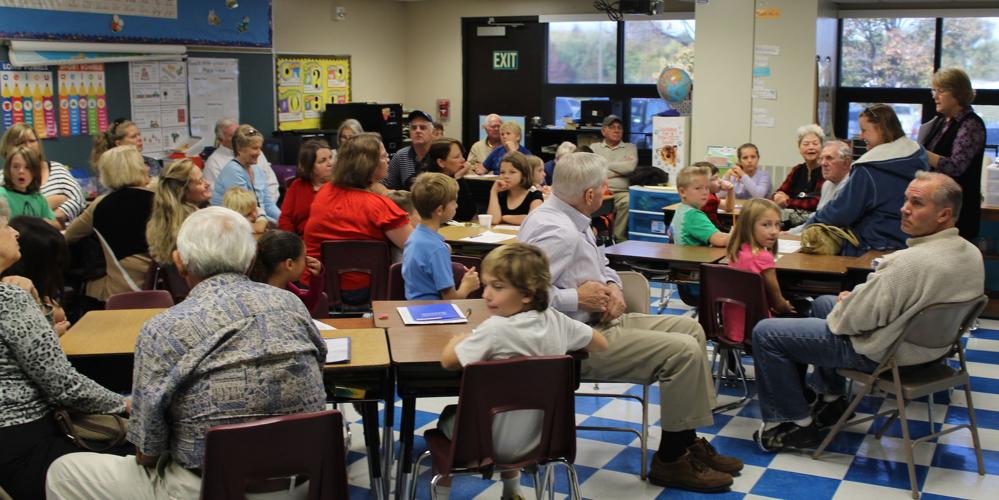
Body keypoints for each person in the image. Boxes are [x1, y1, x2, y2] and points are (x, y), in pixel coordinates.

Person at [46, 207, 328, 499]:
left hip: (209, 487)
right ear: (251, 260)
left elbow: (148, 452)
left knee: (63, 472)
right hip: (303, 482)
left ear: (180, 263)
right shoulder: (292, 306)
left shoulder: (162, 329)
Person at [520, 152, 742, 492]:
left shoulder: (572, 218)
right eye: (602, 187)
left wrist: (612, 286)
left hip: (596, 324)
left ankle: (685, 441)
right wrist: (576, 298)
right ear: (590, 195)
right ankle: (670, 459)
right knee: (681, 352)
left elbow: (602, 265)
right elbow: (523, 297)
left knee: (691, 329)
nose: (607, 192)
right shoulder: (556, 231)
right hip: (572, 343)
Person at [751, 172, 983, 452]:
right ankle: (831, 400)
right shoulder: (970, 254)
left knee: (767, 332)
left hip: (887, 355)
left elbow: (851, 321)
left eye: (917, 203)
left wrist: (850, 304)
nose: (904, 208)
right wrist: (851, 302)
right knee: (825, 302)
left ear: (944, 215)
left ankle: (794, 424)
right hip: (933, 351)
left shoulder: (908, 264)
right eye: (906, 199)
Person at [437, 243, 608, 500]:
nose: (486, 295)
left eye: (498, 287)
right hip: (546, 438)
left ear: (527, 294)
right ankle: (512, 490)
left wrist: (456, 340)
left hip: (485, 441)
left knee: (451, 416)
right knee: (512, 411)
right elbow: (600, 344)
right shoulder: (556, 320)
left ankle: (441, 489)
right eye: (486, 285)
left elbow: (449, 361)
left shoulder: (494, 330)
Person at [0, 197, 127, 500]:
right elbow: (64, 386)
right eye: (4, 226)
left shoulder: (13, 294)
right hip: (28, 445)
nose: (15, 232)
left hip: (11, 447)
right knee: (140, 456)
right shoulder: (9, 300)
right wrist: (125, 404)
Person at [304, 132, 413, 306]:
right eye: (385, 157)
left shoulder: (324, 192)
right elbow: (415, 246)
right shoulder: (378, 206)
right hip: (365, 290)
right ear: (370, 165)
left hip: (320, 286)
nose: (388, 161)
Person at [806, 104, 926, 256]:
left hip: (873, 246)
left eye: (864, 131)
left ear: (881, 129)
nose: (861, 137)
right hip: (910, 243)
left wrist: (810, 224)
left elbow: (841, 212)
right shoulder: (918, 156)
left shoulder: (869, 168)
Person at [64, 145, 154, 302]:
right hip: (161, 283)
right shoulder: (161, 200)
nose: (147, 168)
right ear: (137, 169)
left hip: (123, 289)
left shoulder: (100, 205)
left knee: (85, 286)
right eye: (143, 164)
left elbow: (70, 235)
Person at [918, 67, 986, 241]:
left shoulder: (970, 124)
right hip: (936, 207)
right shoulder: (941, 122)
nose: (934, 96)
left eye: (940, 91)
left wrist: (920, 152)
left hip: (958, 213)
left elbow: (956, 167)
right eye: (934, 90)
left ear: (957, 93)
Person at [724, 199, 795, 343]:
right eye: (766, 225)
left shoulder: (737, 251)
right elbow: (778, 303)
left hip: (732, 327)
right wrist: (786, 306)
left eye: (777, 224)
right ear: (748, 227)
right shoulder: (763, 258)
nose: (774, 231)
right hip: (758, 328)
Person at [403, 173, 480, 300]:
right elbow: (450, 299)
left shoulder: (415, 236)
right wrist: (467, 286)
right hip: (435, 313)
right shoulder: (437, 248)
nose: (457, 205)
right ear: (439, 210)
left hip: (414, 307)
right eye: (454, 202)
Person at [0, 123, 86, 223]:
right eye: (21, 142)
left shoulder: (56, 169)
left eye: (32, 141)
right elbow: (15, 211)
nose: (28, 146)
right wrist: (55, 200)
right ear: (9, 148)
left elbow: (79, 199)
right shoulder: (2, 179)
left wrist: (50, 219)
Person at [3, 215, 72, 336]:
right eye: (5, 227)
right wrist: (53, 333)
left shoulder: (29, 286)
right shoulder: (13, 286)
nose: (15, 233)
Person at [145, 159, 212, 266]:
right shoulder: (199, 224)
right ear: (182, 191)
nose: (207, 183)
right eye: (200, 181)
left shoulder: (156, 223)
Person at [211, 124, 281, 222]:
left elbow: (268, 204)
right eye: (255, 148)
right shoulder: (232, 171)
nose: (259, 152)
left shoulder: (257, 169)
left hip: (257, 221)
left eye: (260, 148)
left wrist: (283, 220)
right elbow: (247, 211)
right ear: (240, 149)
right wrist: (277, 224)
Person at [203, 118, 279, 204]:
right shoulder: (214, 162)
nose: (240, 138)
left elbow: (271, 183)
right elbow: (218, 199)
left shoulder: (257, 154)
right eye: (233, 136)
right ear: (220, 140)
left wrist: (267, 208)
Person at [250, 229, 325, 313]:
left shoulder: (279, 283)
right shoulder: (278, 295)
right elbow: (306, 307)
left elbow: (306, 304)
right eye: (304, 257)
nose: (307, 261)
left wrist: (316, 278)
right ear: (289, 264)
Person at [786, 140, 853, 235]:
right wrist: (790, 233)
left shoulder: (851, 186)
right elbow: (816, 219)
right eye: (822, 159)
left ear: (846, 163)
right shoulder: (827, 184)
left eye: (829, 158)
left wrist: (798, 235)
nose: (823, 163)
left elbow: (830, 225)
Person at [591, 115, 638, 241]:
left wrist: (604, 165)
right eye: (612, 127)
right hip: (598, 192)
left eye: (619, 128)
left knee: (628, 201)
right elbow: (593, 170)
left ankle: (618, 238)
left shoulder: (630, 147)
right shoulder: (594, 148)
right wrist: (618, 171)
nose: (616, 130)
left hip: (621, 192)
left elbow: (630, 168)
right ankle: (593, 237)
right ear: (603, 131)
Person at [278, 139, 334, 236]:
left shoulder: (339, 186)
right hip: (300, 242)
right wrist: (293, 243)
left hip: (330, 241)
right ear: (310, 167)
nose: (330, 164)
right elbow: (285, 218)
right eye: (323, 161)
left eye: (330, 158)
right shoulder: (297, 185)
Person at [773, 125, 826, 226]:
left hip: (815, 225)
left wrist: (788, 201)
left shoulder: (825, 170)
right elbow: (778, 194)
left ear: (822, 147)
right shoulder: (797, 170)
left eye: (815, 143)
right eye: (806, 144)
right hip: (794, 223)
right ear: (799, 148)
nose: (811, 147)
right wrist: (778, 197)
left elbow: (816, 203)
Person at [670, 165, 729, 247]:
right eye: (698, 188)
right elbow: (721, 240)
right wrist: (739, 235)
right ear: (682, 192)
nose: (705, 192)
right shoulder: (693, 215)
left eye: (707, 188)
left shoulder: (681, 209)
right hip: (694, 259)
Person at [0, 146, 59, 227]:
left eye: (27, 167)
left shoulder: (38, 198)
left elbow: (56, 224)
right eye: (16, 167)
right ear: (8, 170)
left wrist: (40, 222)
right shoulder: (2, 195)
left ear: (35, 172)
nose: (21, 171)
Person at [90, 119, 162, 178]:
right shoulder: (110, 167)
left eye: (139, 135)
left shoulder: (151, 163)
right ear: (119, 143)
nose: (139, 139)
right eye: (133, 136)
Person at [426, 138, 477, 221]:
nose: (463, 160)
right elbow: (460, 217)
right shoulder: (428, 185)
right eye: (457, 157)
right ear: (441, 162)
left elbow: (469, 213)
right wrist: (458, 179)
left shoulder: (455, 178)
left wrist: (459, 178)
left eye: (462, 155)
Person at [487, 151, 544, 226]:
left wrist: (504, 218)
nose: (506, 176)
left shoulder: (535, 195)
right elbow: (494, 220)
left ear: (524, 174)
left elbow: (532, 219)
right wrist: (493, 191)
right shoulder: (500, 195)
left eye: (512, 172)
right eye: (502, 172)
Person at [383, 110, 435, 189]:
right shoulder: (400, 156)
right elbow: (386, 185)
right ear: (409, 132)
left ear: (432, 132)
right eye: (414, 128)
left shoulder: (439, 154)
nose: (417, 131)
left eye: (423, 127)